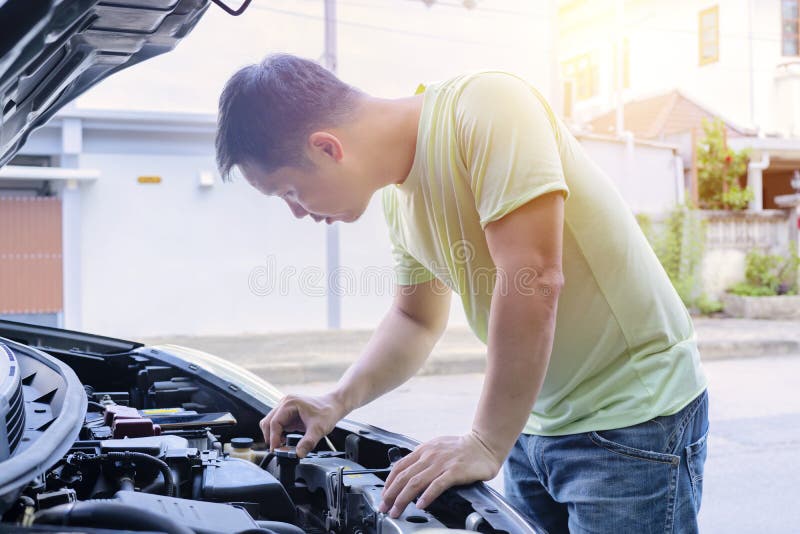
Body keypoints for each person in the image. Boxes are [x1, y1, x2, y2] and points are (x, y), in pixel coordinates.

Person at [214, 54, 709, 534]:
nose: (297, 214)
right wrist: (336, 400)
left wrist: (485, 440)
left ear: (327, 147)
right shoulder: (399, 200)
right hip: (532, 423)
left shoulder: (488, 107)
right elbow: (415, 320)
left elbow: (532, 275)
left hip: (632, 419)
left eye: (289, 193)